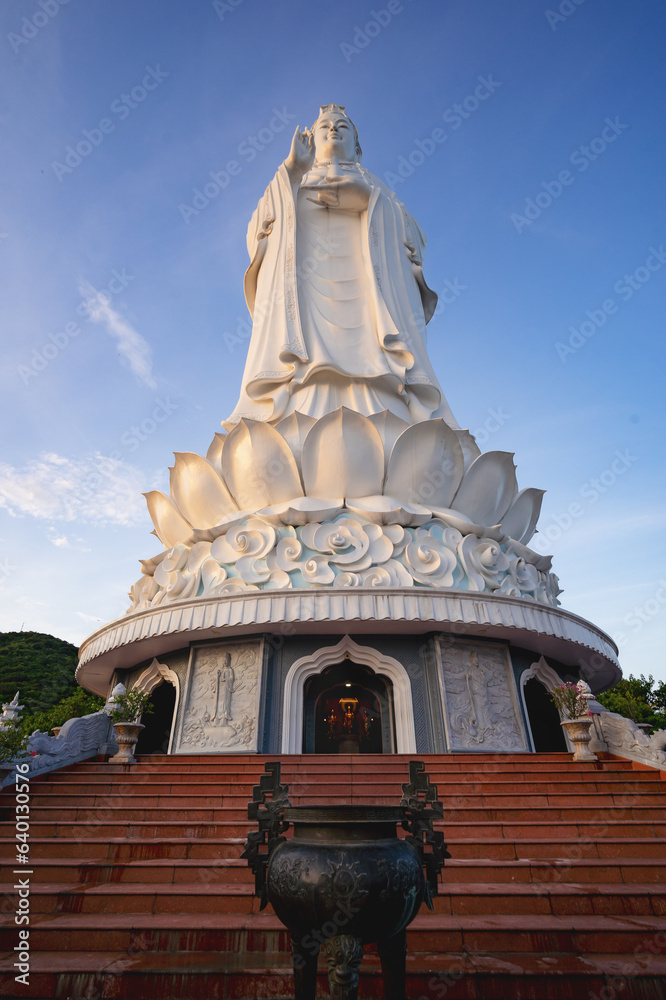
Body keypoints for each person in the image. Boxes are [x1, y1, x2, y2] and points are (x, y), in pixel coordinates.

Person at [225, 104, 460, 429]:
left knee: (382, 385)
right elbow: (256, 235)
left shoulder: (375, 186)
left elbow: (415, 239)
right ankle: (296, 406)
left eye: (342, 127)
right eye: (324, 127)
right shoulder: (292, 180)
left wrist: (370, 202)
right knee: (304, 386)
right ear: (312, 138)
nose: (333, 130)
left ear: (357, 146)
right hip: (307, 309)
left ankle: (391, 410)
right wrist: (291, 170)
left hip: (369, 311)